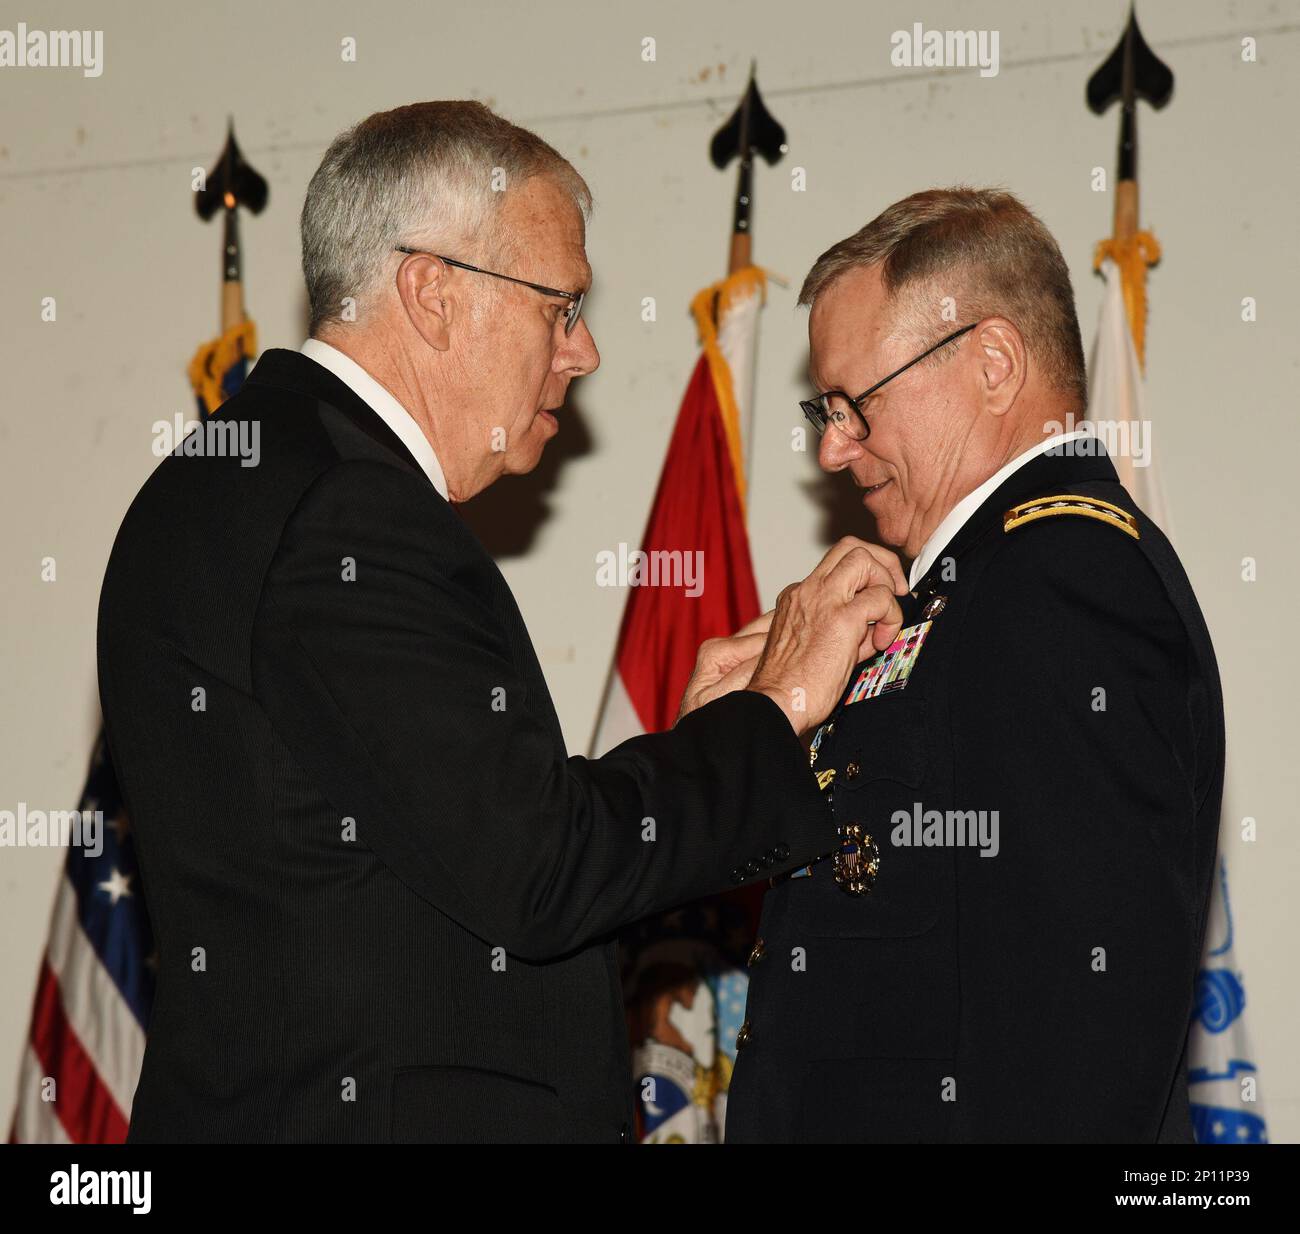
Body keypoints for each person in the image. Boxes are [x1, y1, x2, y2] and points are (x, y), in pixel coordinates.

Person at [96, 101, 905, 1143]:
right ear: (432, 293)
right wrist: (771, 711)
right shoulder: (348, 508)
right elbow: (538, 872)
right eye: (559, 306)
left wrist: (701, 748)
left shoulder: (233, 476)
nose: (585, 351)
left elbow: (452, 860)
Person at [726, 187, 1224, 1143]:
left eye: (855, 404)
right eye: (822, 409)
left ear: (994, 363)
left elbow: (1077, 1031)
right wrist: (738, 746)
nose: (834, 448)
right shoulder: (967, 591)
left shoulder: (1061, 579)